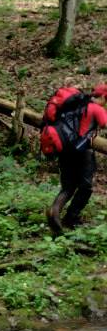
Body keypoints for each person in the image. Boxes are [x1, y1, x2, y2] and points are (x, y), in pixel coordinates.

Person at [46, 84, 107, 235]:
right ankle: (71, 218)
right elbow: (104, 124)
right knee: (85, 187)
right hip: (82, 152)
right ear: (104, 97)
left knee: (68, 187)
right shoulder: (96, 108)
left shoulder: (75, 105)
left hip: (64, 149)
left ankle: (54, 210)